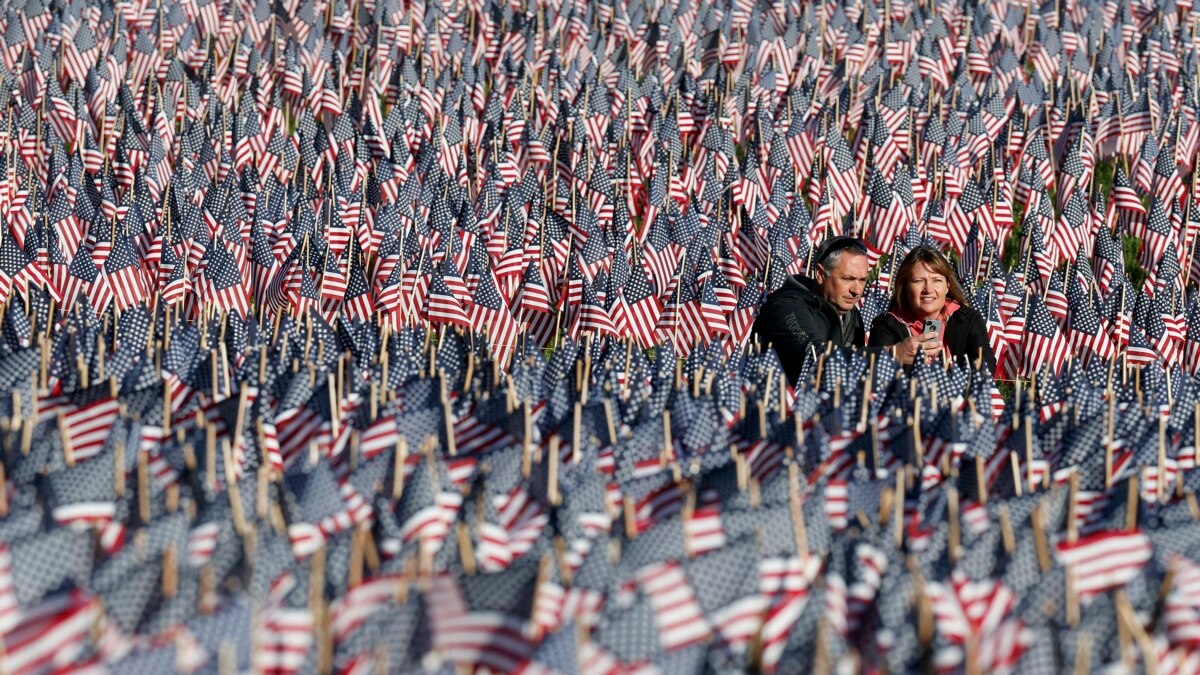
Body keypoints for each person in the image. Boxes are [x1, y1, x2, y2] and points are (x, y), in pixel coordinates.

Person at [752, 236, 871, 385]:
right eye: (848, 279)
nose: (857, 290)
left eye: (863, 280)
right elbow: (814, 353)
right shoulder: (786, 308)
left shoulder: (851, 315)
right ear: (821, 274)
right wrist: (889, 355)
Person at [867, 245, 996, 374]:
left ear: (947, 287)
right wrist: (896, 354)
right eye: (918, 281)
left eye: (937, 280)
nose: (928, 289)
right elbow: (874, 373)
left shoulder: (968, 320)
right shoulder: (885, 325)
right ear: (904, 286)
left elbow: (986, 365)